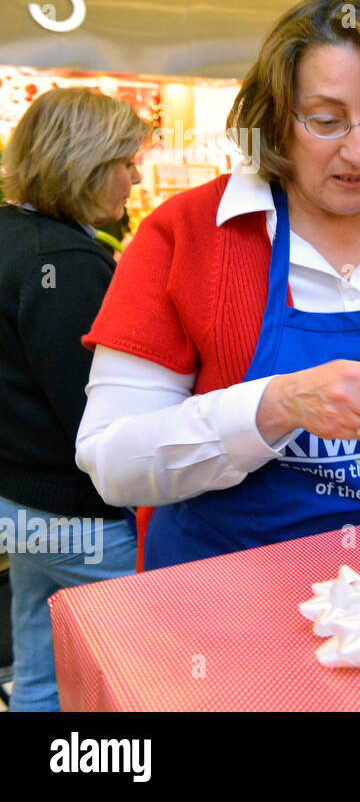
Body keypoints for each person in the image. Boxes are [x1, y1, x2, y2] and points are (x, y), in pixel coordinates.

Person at [75, 0, 360, 569]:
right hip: (228, 601)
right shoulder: (187, 236)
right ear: (274, 121)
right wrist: (275, 406)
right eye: (327, 120)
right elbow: (112, 461)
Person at [0, 87, 147, 710]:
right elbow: (93, 411)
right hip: (79, 516)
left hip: (19, 502)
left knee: (40, 662)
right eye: (124, 161)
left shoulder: (12, 234)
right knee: (140, 670)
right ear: (84, 162)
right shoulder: (66, 261)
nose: (135, 177)